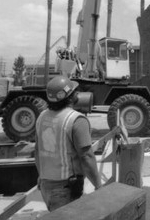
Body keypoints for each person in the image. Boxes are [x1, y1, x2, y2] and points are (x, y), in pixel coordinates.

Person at [35, 76, 101, 212]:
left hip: (46, 185)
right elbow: (86, 157)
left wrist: (41, 175)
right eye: (74, 91)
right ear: (70, 96)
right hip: (65, 189)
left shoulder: (42, 117)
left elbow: (37, 151)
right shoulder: (76, 120)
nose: (77, 93)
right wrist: (98, 186)